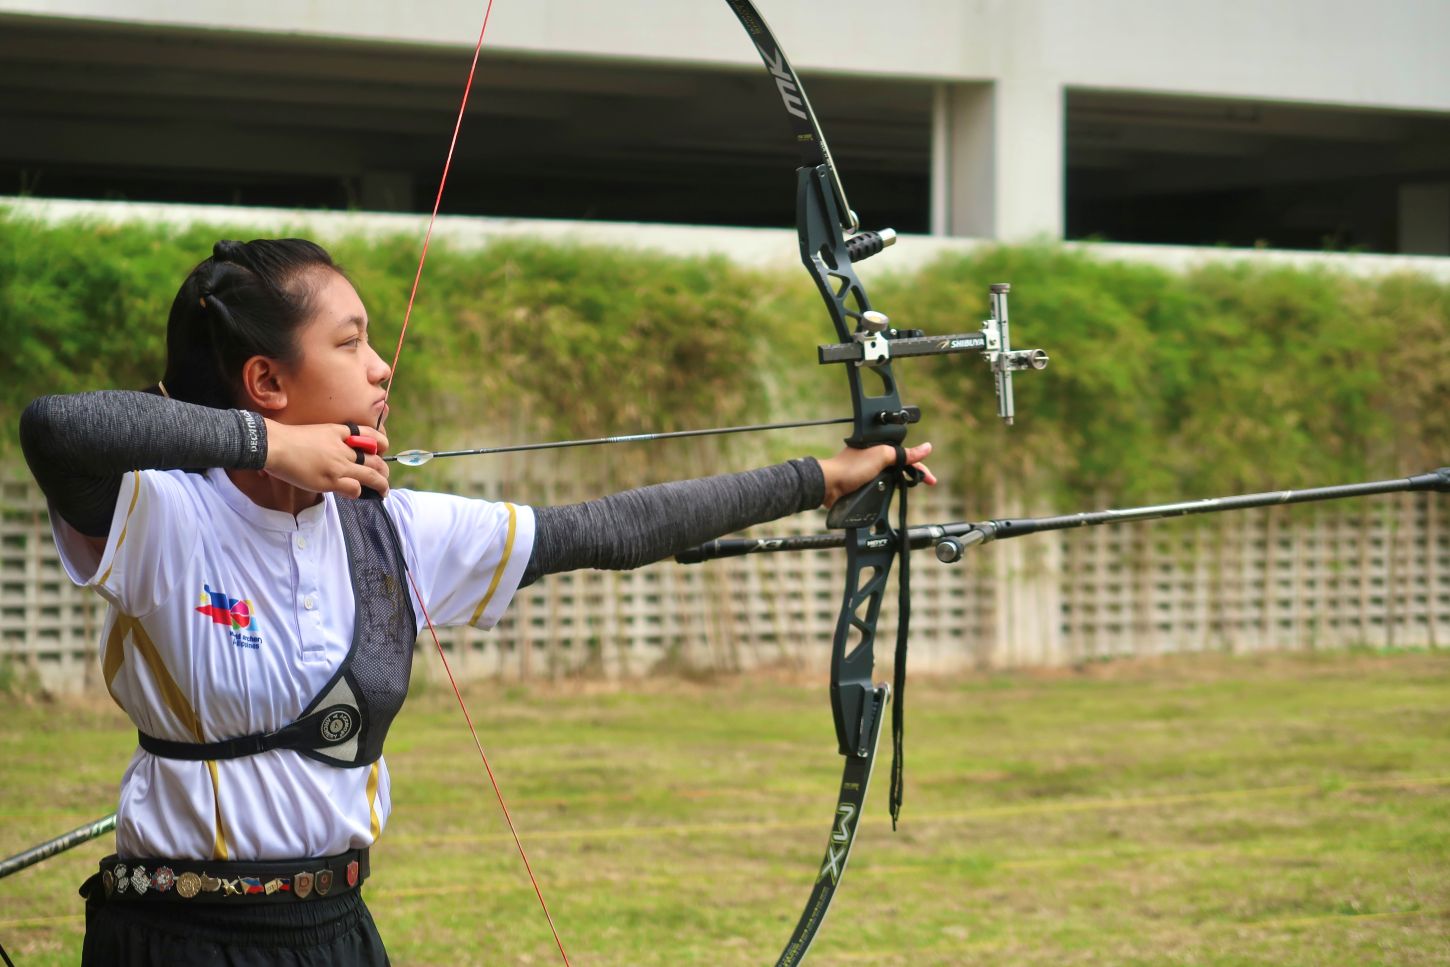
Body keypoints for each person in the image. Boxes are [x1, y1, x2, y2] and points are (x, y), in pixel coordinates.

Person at [19, 237, 934, 965]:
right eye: (350, 343)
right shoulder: (163, 515)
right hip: (176, 939)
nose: (381, 367)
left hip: (334, 928)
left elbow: (608, 530)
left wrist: (822, 476)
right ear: (266, 381)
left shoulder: (389, 527)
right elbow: (56, 426)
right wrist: (271, 446)